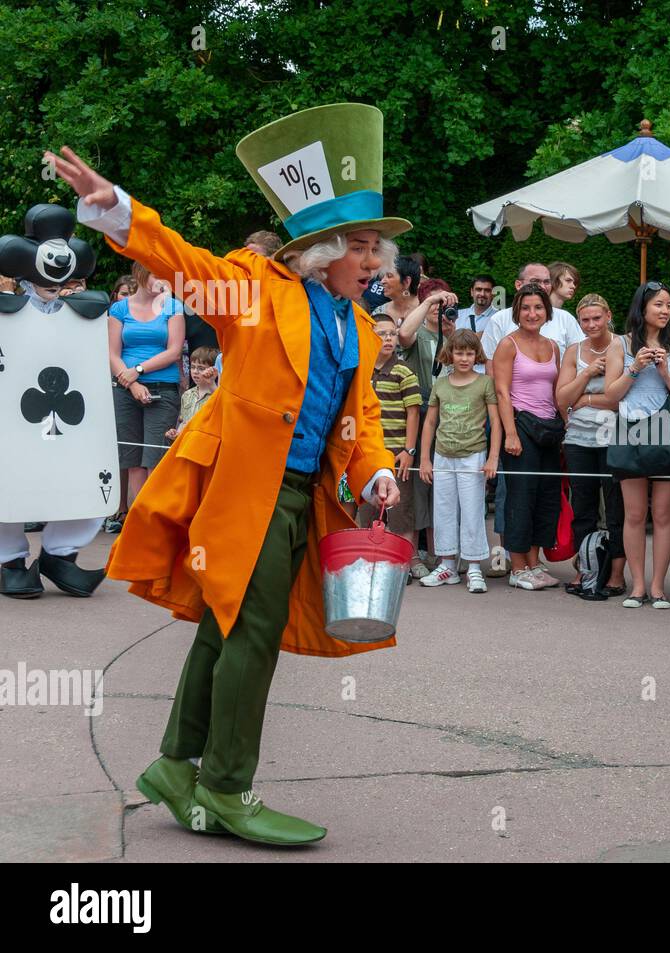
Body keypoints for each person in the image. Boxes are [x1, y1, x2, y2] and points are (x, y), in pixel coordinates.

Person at [49, 100, 402, 846]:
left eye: (378, 250)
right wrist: (117, 212)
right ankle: (227, 783)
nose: (377, 262)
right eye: (365, 246)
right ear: (324, 246)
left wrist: (374, 472)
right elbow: (184, 264)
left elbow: (360, 417)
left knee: (228, 624)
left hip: (303, 498)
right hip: (247, 492)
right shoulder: (257, 290)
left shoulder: (359, 325)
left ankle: (178, 764)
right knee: (253, 633)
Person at [0, 204, 110, 599]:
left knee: (90, 476)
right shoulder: (4, 313)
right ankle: (10, 560)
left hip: (70, 420)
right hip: (11, 419)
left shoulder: (85, 316)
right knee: (6, 480)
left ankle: (60, 555)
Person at [606, 281, 670, 609]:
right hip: (630, 428)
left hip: (666, 429)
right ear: (642, 307)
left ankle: (658, 586)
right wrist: (635, 367)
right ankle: (637, 586)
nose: (665, 310)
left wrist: (664, 372)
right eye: (659, 304)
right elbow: (611, 396)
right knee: (634, 513)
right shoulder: (621, 344)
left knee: (663, 513)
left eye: (669, 305)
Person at [387, 267, 459, 576]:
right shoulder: (420, 334)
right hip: (420, 412)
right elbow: (404, 334)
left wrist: (452, 325)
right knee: (415, 485)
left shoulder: (453, 336)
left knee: (442, 488)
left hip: (451, 416)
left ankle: (441, 554)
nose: (440, 311)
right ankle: (413, 555)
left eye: (444, 305)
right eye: (434, 305)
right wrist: (430, 302)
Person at [555, 293, 626, 597]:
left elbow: (613, 398)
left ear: (609, 315)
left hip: (613, 437)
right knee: (582, 508)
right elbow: (561, 399)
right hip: (578, 440)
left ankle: (617, 574)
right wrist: (585, 372)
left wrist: (582, 398)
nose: (591, 324)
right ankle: (586, 569)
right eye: (585, 319)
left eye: (597, 318)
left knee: (615, 508)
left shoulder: (621, 345)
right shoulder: (573, 351)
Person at [418, 329, 500, 592]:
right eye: (459, 352)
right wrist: (425, 459)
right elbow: (430, 422)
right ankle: (447, 565)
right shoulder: (441, 384)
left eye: (469, 353)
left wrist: (492, 458)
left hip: (473, 455)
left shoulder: (484, 383)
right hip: (442, 455)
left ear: (476, 355)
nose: (464, 358)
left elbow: (495, 424)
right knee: (443, 510)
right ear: (449, 355)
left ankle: (474, 567)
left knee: (473, 510)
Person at [493, 283, 563, 590]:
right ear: (516, 311)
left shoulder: (553, 346)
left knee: (547, 497)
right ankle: (517, 567)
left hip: (549, 427)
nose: (531, 313)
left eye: (537, 307)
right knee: (521, 497)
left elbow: (558, 390)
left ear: (546, 311)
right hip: (521, 425)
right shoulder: (508, 344)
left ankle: (534, 562)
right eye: (525, 307)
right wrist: (510, 432)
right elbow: (501, 391)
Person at [108, 260, 185, 523]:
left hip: (162, 387)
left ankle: (157, 516)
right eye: (157, 275)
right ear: (140, 275)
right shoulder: (119, 308)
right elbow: (112, 353)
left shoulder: (173, 307)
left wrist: (138, 370)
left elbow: (174, 351)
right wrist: (131, 382)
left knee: (156, 456)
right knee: (133, 459)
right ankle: (142, 518)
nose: (164, 281)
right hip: (125, 388)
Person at [355, 314, 422, 567]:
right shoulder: (361, 368)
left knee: (401, 512)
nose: (389, 338)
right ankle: (372, 562)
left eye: (393, 333)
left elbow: (413, 412)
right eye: (382, 333)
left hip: (397, 453)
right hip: (369, 453)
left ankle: (402, 564)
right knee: (369, 510)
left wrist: (409, 450)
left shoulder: (403, 370)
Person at [481, 262, 584, 372]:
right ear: (518, 285)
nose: (542, 287)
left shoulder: (566, 319)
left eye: (547, 282)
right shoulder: (499, 319)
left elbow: (580, 358)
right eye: (535, 281)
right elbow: (490, 363)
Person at [166, 345, 219, 441]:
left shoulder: (217, 392)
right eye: (193, 367)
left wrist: (211, 382)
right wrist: (176, 434)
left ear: (214, 370)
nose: (195, 372)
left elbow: (222, 403)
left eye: (201, 368)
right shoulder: (187, 395)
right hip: (187, 444)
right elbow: (184, 422)